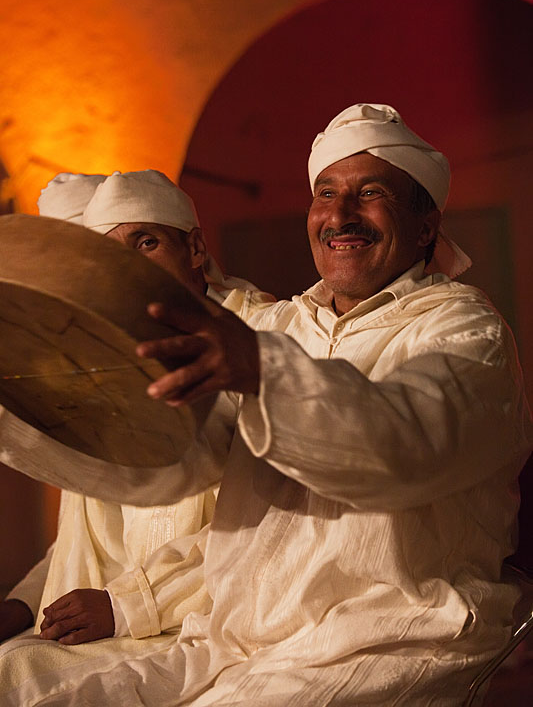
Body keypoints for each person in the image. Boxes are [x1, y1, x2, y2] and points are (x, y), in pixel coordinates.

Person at [0, 104, 530, 706]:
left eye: (370, 193)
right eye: (325, 193)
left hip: (382, 636)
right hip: (229, 639)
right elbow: (179, 467)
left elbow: (405, 442)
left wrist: (262, 370)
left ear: (426, 225)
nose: (340, 214)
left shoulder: (464, 330)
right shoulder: (283, 327)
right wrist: (35, 391)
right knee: (18, 679)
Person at [0, 171, 274, 688]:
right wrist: (24, 603)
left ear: (195, 248)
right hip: (121, 622)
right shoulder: (112, 359)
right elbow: (90, 536)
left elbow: (272, 522)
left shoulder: (255, 341)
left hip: (216, 620)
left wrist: (132, 603)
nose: (125, 270)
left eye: (146, 243)